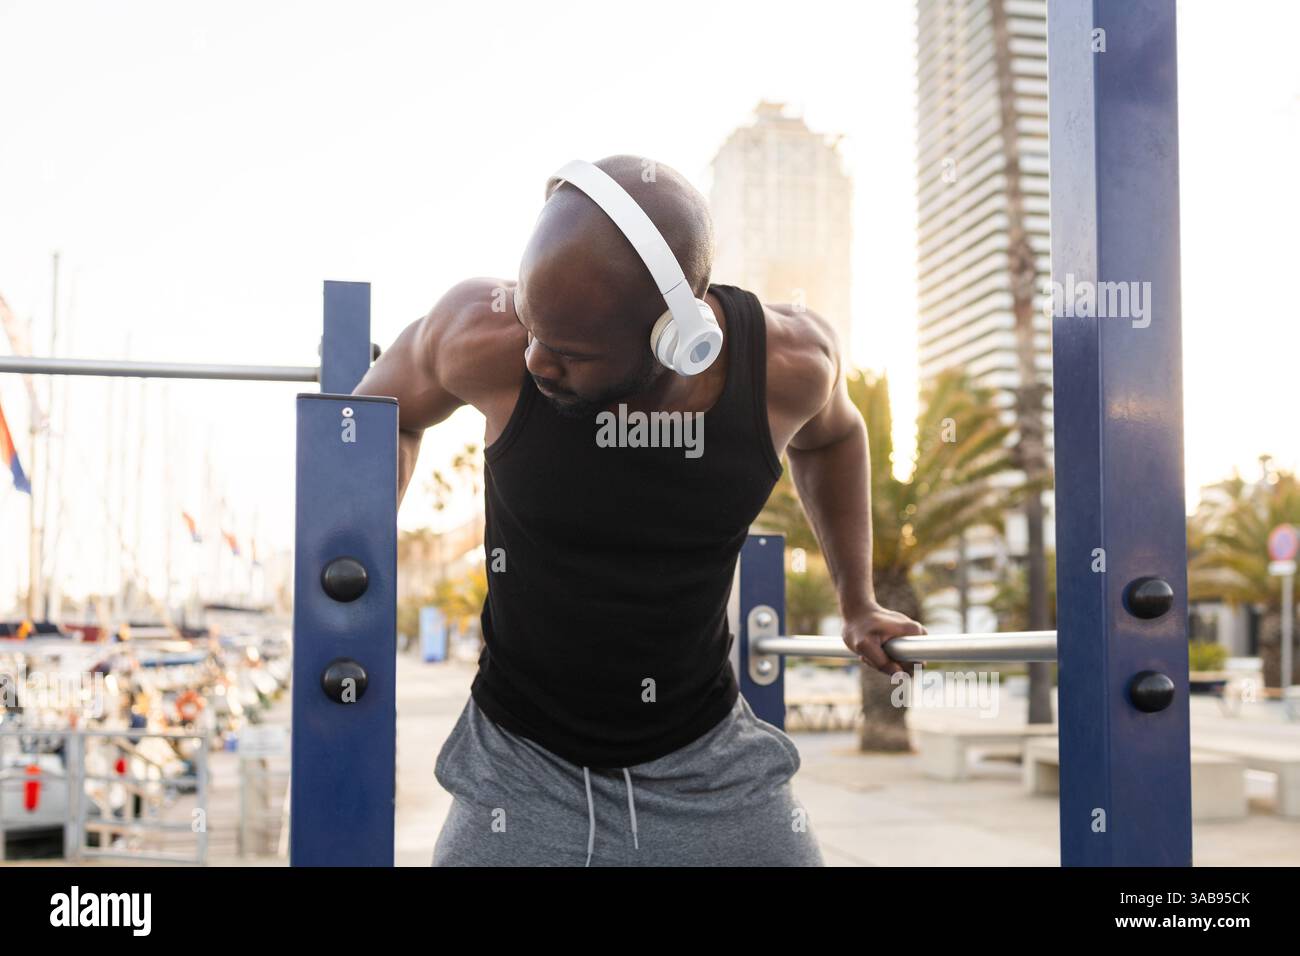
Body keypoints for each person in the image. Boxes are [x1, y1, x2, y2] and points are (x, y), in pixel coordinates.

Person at [354, 155, 925, 866]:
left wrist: (858, 600)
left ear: (678, 338)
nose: (534, 361)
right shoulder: (482, 334)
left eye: (568, 353)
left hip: (707, 763)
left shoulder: (787, 363)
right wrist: (364, 544)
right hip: (518, 765)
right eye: (532, 327)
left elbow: (836, 437)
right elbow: (374, 416)